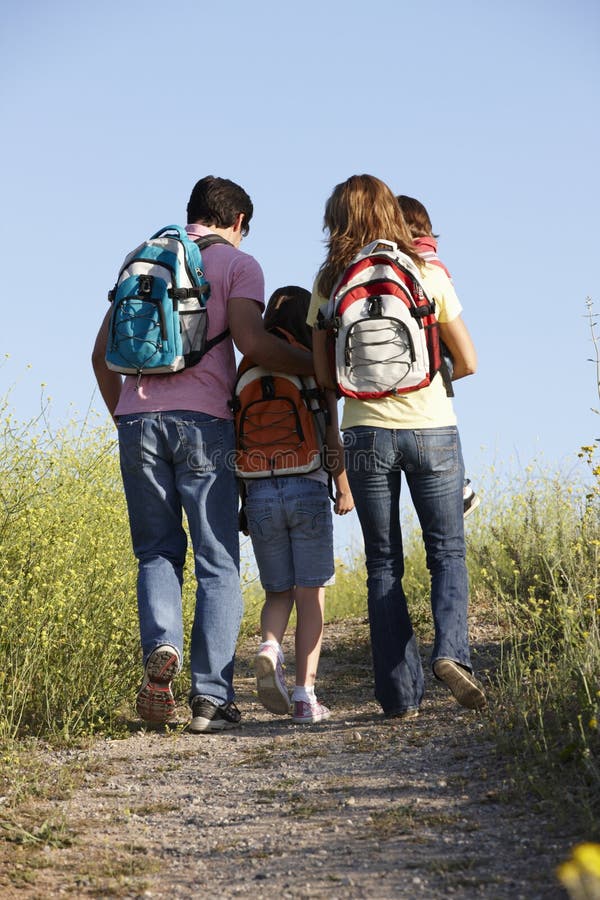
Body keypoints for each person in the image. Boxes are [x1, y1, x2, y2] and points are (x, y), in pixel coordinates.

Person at [92, 176, 314, 734]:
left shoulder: (142, 260)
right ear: (238, 222)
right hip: (205, 424)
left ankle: (161, 650)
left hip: (136, 421)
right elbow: (254, 343)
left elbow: (100, 356)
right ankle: (210, 699)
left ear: (192, 214)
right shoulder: (239, 265)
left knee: (156, 553)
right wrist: (319, 370)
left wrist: (127, 414)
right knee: (218, 559)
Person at [308, 174, 486, 718]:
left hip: (364, 432)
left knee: (384, 563)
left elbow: (323, 379)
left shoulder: (330, 280)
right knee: (447, 552)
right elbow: (471, 360)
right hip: (431, 425)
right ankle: (452, 654)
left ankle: (398, 696)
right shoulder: (426, 272)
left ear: (337, 218)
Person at [241, 286, 354, 724]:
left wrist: (242, 505)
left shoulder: (246, 367)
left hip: (259, 493)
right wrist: (342, 487)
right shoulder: (312, 371)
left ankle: (270, 646)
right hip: (307, 488)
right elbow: (331, 437)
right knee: (312, 595)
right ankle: (305, 695)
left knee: (277, 592)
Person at [396, 194, 480, 518]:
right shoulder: (434, 261)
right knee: (443, 412)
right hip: (435, 355)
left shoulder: (418, 266)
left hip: (420, 355)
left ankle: (460, 486)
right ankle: (459, 486)